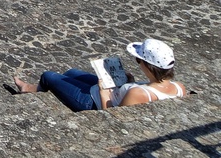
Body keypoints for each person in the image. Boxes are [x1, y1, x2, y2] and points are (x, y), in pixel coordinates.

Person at [12, 38, 186, 111]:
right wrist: (131, 81)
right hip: (113, 91)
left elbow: (111, 115)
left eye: (138, 61)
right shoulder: (179, 88)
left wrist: (103, 92)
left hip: (93, 102)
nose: (137, 63)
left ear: (149, 65)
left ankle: (30, 89)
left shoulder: (138, 94)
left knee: (48, 76)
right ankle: (44, 88)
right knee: (71, 72)